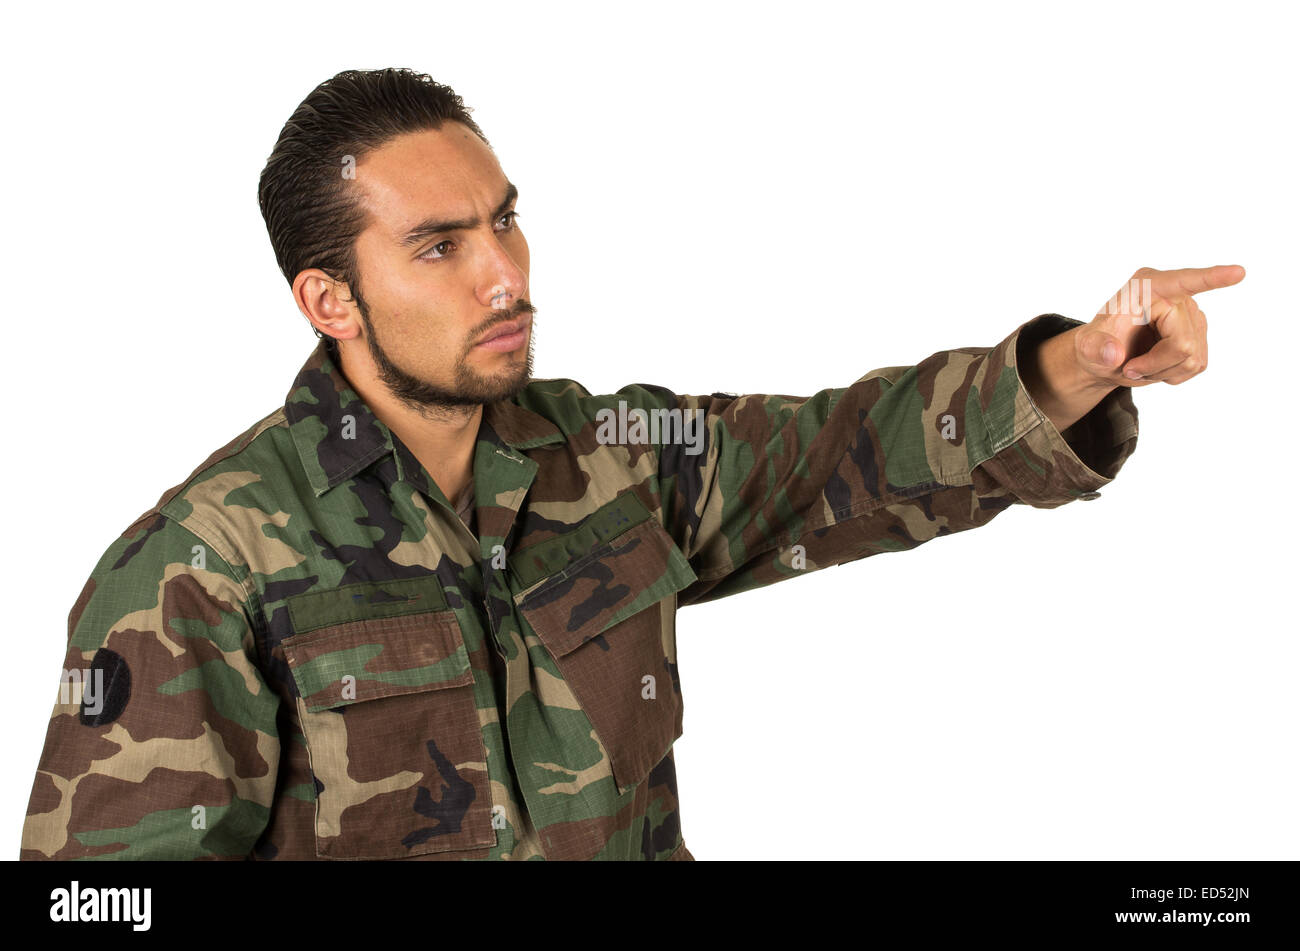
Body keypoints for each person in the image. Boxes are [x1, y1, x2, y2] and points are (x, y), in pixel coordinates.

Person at [19, 67, 1242, 860]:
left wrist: (1080, 365)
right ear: (329, 300)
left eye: (504, 217)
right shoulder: (198, 566)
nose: (506, 272)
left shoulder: (613, 460)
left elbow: (845, 453)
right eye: (438, 248)